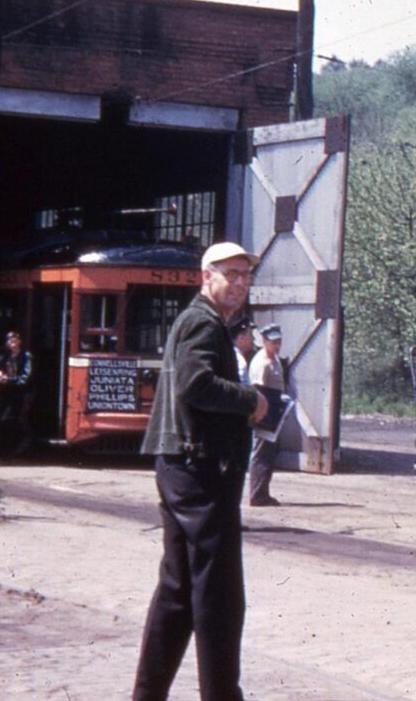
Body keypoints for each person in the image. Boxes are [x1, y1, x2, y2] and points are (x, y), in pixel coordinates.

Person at [132, 242, 268, 701]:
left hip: (185, 466)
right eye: (231, 274)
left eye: (246, 275)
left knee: (179, 591)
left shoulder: (204, 323)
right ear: (205, 276)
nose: (240, 283)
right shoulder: (202, 322)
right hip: (199, 469)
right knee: (219, 596)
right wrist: (253, 400)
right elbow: (195, 384)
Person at [246, 323, 286, 508]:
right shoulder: (262, 363)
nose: (277, 346)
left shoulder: (275, 359)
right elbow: (258, 391)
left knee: (269, 454)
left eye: (279, 341)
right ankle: (257, 495)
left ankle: (263, 493)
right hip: (264, 414)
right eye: (273, 342)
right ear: (263, 341)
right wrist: (261, 416)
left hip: (275, 412)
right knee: (261, 455)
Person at [0, 330, 36, 455]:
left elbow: (26, 378)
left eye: (14, 340)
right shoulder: (7, 356)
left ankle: (26, 446)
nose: (12, 343)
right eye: (9, 341)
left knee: (21, 419)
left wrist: (9, 380)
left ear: (19, 342)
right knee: (6, 419)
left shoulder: (26, 356)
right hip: (11, 393)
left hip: (25, 393)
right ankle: (11, 449)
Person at [231, 318, 255, 384]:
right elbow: (239, 387)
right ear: (241, 338)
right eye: (250, 335)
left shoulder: (230, 355)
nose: (253, 338)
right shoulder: (239, 361)